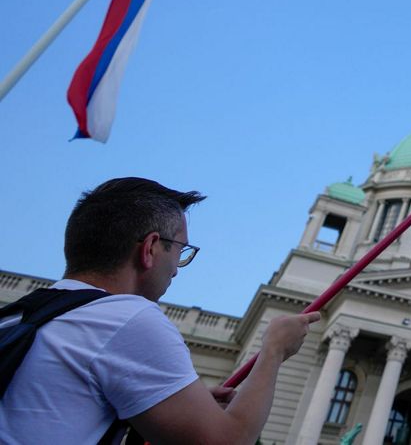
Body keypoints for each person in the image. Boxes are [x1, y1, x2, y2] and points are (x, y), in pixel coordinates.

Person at [0, 177, 319, 444]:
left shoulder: (24, 313)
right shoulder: (125, 318)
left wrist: (174, 405)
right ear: (150, 249)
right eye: (181, 251)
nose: (177, 270)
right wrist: (274, 351)